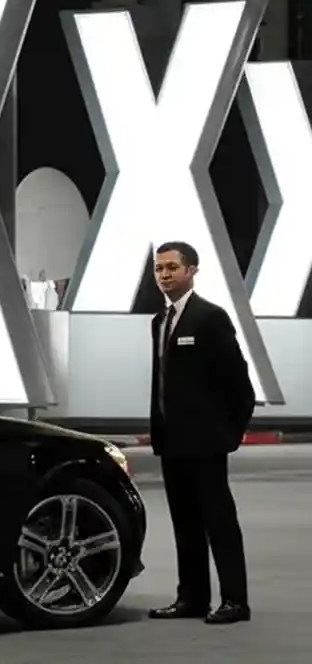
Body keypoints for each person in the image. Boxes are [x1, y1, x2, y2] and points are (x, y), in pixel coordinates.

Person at [145, 241, 254, 625]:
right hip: (171, 443)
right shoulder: (159, 322)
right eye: (159, 269)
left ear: (191, 271)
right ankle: (190, 598)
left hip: (205, 444)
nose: (164, 275)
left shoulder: (210, 318)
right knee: (185, 524)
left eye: (172, 267)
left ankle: (235, 602)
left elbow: (239, 385)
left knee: (218, 522)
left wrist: (229, 435)